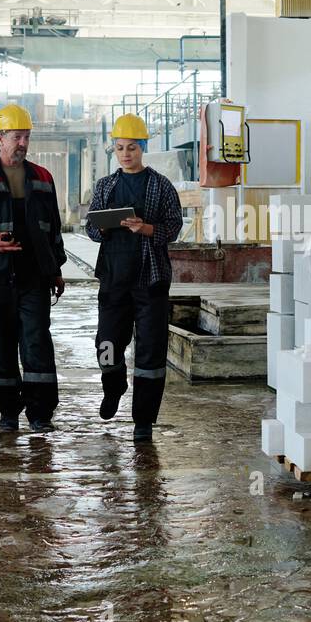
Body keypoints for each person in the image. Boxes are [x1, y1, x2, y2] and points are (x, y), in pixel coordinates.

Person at [0, 103, 66, 432]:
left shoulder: (43, 178)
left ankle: (40, 413)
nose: (22, 143)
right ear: (0, 137)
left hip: (34, 276)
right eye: (17, 137)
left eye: (27, 137)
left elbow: (54, 229)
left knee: (36, 342)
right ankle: (8, 412)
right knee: (1, 345)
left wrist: (56, 268)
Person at [86, 113, 183, 443]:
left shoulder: (161, 186)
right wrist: (100, 227)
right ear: (114, 150)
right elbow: (91, 229)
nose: (126, 154)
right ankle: (113, 387)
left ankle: (143, 419)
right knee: (107, 344)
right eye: (120, 148)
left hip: (150, 279)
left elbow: (174, 227)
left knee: (150, 352)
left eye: (132, 148)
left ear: (143, 148)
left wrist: (147, 229)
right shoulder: (105, 186)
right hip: (114, 278)